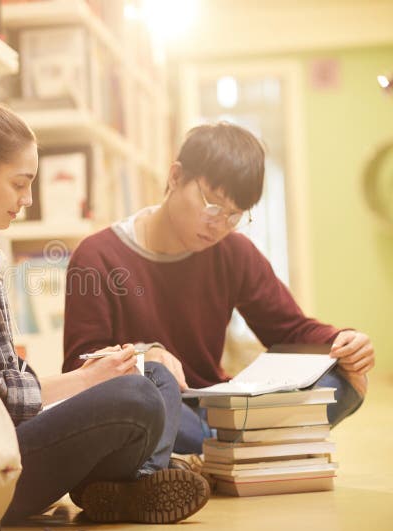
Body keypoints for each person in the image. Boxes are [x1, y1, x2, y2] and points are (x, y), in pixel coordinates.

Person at [0, 94, 210, 524]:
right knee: (138, 394)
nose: (29, 199)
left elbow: (6, 377)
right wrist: (85, 380)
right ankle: (144, 479)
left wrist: (94, 376)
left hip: (3, 440)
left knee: (154, 375)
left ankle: (132, 486)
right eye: (19, 184)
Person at [63, 122, 373, 454]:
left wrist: (342, 343)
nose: (219, 226)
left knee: (342, 379)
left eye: (234, 216)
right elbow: (79, 370)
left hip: (216, 408)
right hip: (157, 409)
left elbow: (288, 328)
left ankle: (203, 454)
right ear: (175, 176)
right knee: (143, 406)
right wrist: (142, 356)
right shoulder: (98, 256)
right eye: (212, 206)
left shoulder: (234, 253)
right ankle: (241, 450)